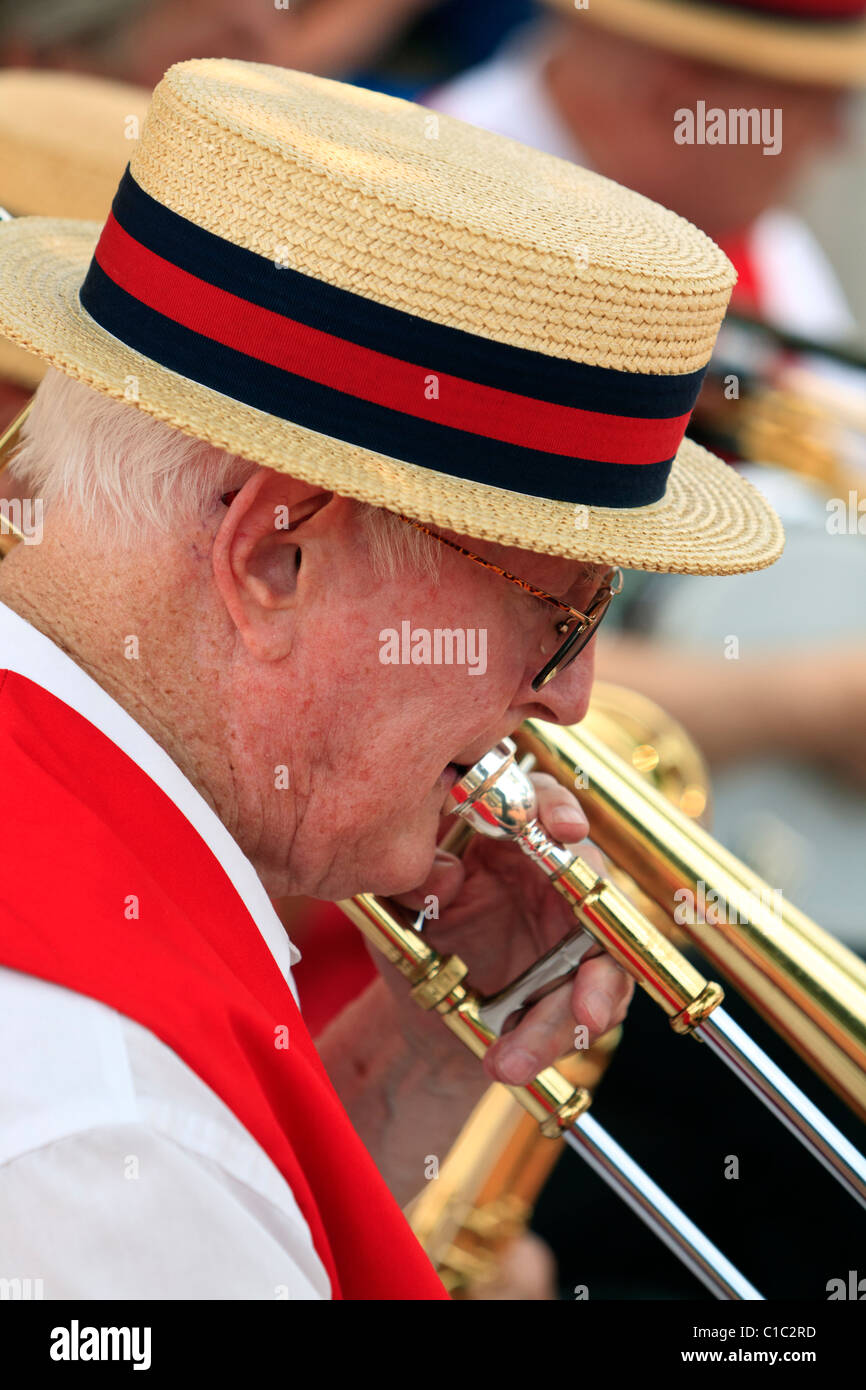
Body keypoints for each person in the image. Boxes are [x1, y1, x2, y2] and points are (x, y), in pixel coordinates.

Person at [0, 59, 781, 1299]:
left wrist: (416, 1055)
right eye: (563, 611)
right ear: (275, 552)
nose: (570, 697)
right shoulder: (113, 1126)